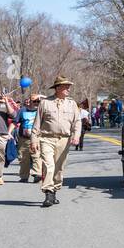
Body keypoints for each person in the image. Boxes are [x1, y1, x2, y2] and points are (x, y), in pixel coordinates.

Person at [32, 75, 82, 208]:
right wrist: (34, 141)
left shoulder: (72, 104)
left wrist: (76, 136)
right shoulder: (45, 103)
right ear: (58, 88)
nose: (68, 89)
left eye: (69, 87)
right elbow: (37, 124)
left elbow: (77, 122)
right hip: (46, 138)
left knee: (59, 168)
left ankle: (54, 190)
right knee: (49, 165)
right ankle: (48, 192)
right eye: (66, 86)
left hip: (64, 140)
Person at [17, 95, 41, 182]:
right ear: (29, 101)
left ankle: (37, 174)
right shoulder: (22, 110)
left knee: (36, 156)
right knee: (23, 157)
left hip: (37, 137)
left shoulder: (41, 111)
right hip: (24, 138)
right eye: (34, 101)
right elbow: (15, 122)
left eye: (38, 101)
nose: (36, 103)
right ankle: (24, 176)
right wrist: (8, 132)